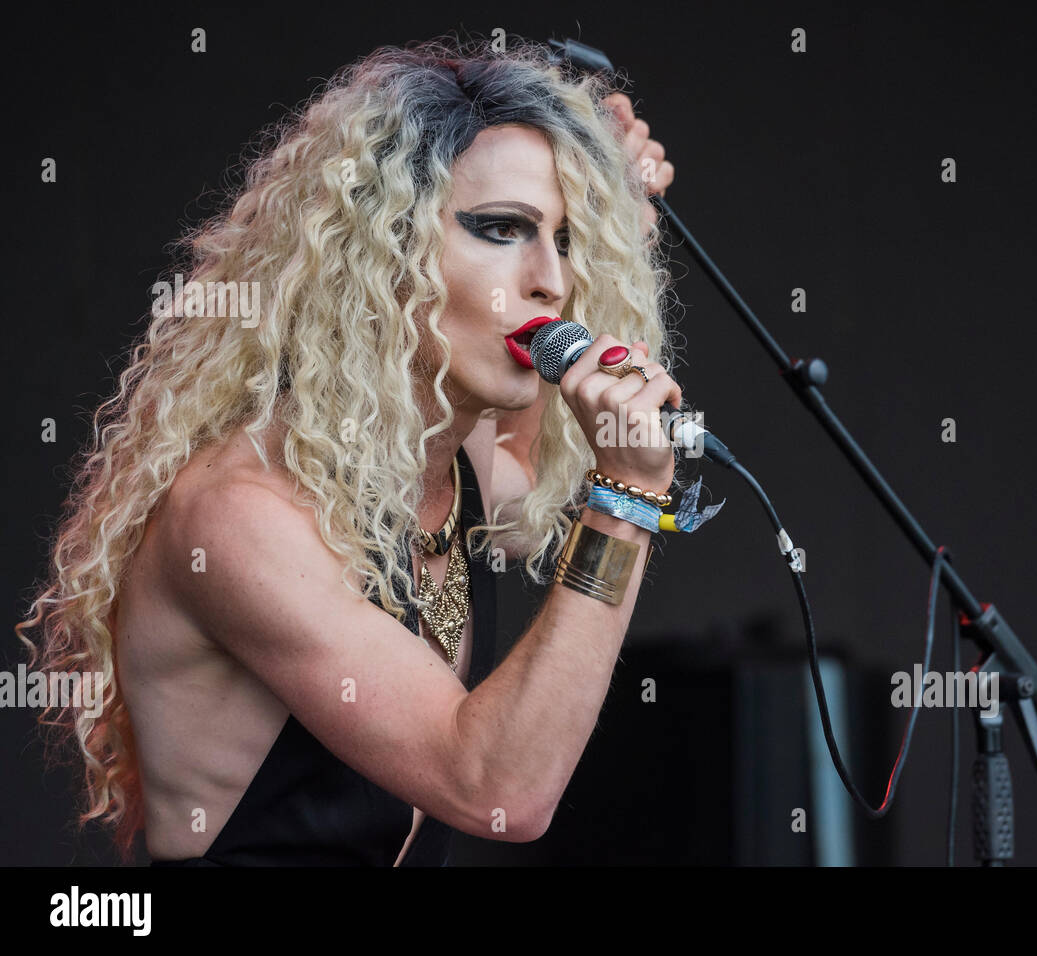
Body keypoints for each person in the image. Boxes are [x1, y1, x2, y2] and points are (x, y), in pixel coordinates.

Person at [14, 35, 684, 865]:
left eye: (571, 240)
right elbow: (498, 790)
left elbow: (534, 472)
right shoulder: (242, 518)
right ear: (385, 248)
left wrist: (622, 213)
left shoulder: (456, 465)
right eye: (503, 228)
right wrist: (624, 501)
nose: (552, 277)